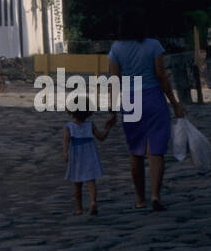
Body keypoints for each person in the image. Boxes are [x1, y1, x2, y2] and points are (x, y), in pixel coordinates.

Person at [105, 22, 186, 211]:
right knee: (156, 150)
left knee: (136, 151)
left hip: (131, 100)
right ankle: (155, 194)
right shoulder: (153, 45)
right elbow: (161, 75)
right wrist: (174, 103)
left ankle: (140, 199)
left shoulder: (116, 48)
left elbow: (114, 80)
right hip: (153, 98)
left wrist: (112, 111)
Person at [63, 106, 109, 215]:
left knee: (77, 183)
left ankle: (79, 208)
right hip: (89, 154)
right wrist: (108, 129)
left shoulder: (69, 127)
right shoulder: (90, 125)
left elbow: (66, 141)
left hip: (76, 156)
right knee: (90, 181)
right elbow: (101, 137)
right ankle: (93, 202)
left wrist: (65, 153)